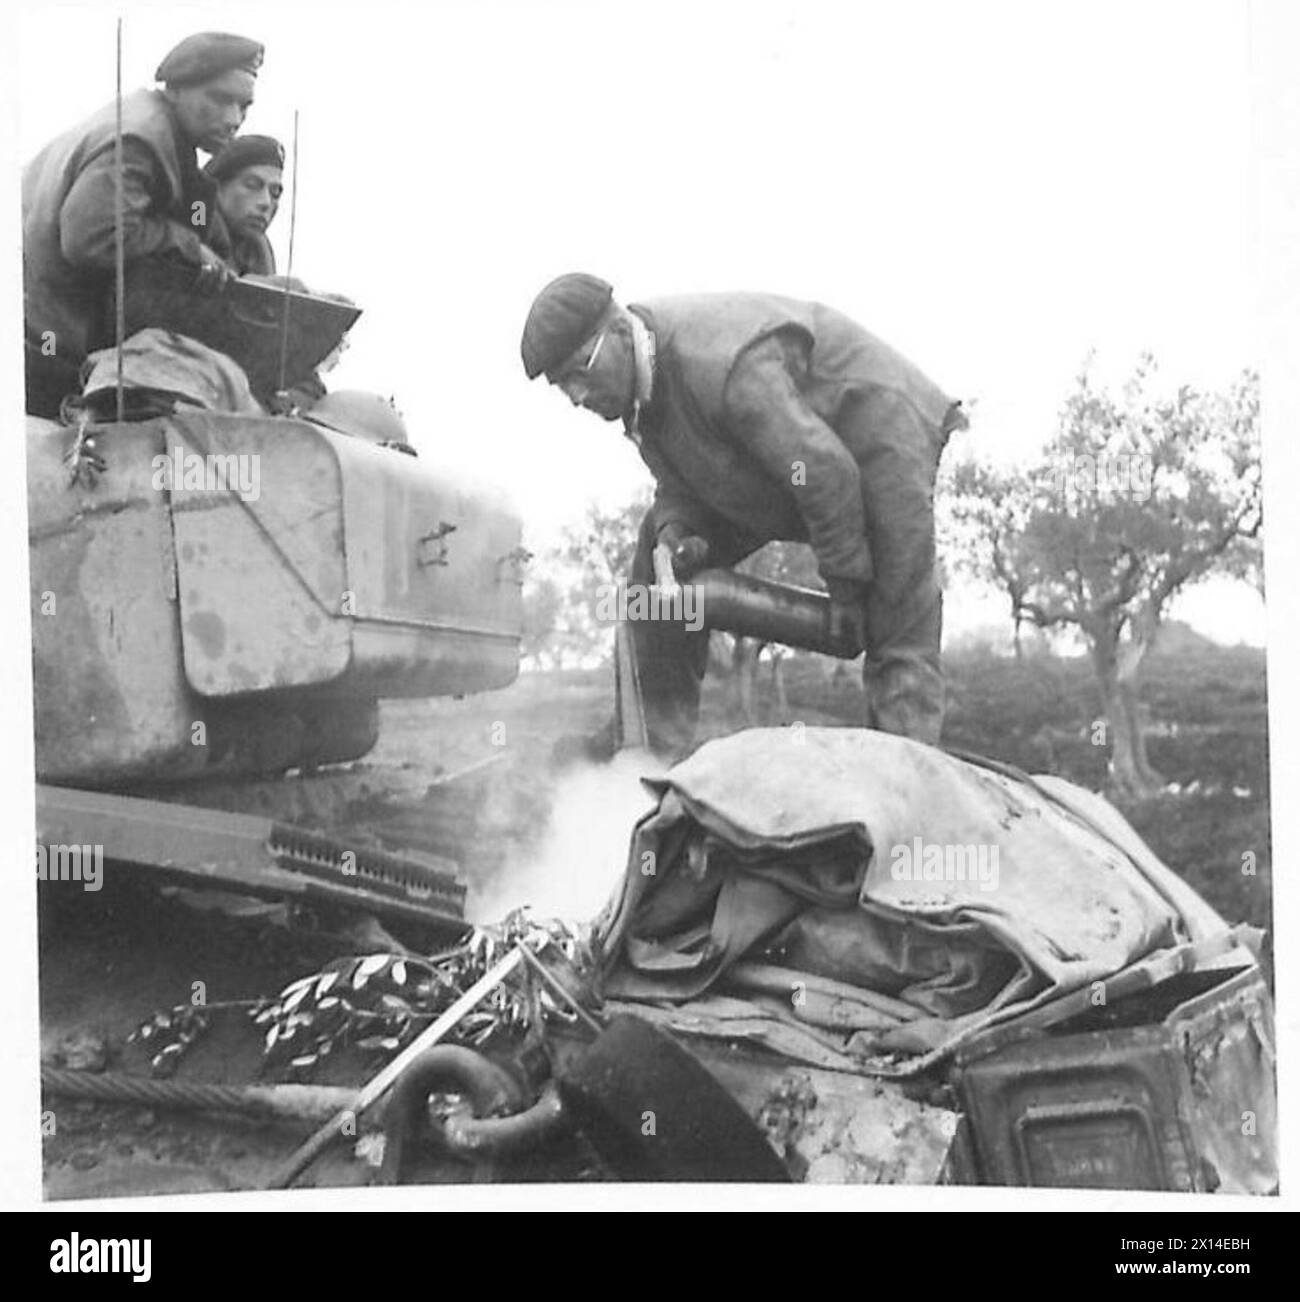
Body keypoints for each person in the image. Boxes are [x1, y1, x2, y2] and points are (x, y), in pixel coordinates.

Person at [521, 275, 967, 757]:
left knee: (897, 623)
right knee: (655, 573)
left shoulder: (726, 369)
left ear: (620, 333)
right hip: (778, 460)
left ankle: (903, 776)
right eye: (562, 386)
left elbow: (818, 470)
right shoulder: (639, 397)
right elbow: (679, 487)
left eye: (578, 372)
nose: (576, 396)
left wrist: (846, 585)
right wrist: (678, 534)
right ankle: (650, 742)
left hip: (875, 426)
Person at [22, 31, 264, 416]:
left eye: (244, 106)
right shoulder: (139, 139)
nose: (233, 118)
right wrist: (187, 246)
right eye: (219, 99)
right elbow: (93, 239)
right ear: (177, 89)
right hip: (45, 346)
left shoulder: (163, 133)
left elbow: (198, 222)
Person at [205, 134, 284, 275]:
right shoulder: (197, 212)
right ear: (218, 187)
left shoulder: (257, 248)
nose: (265, 202)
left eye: (275, 193)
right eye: (252, 185)